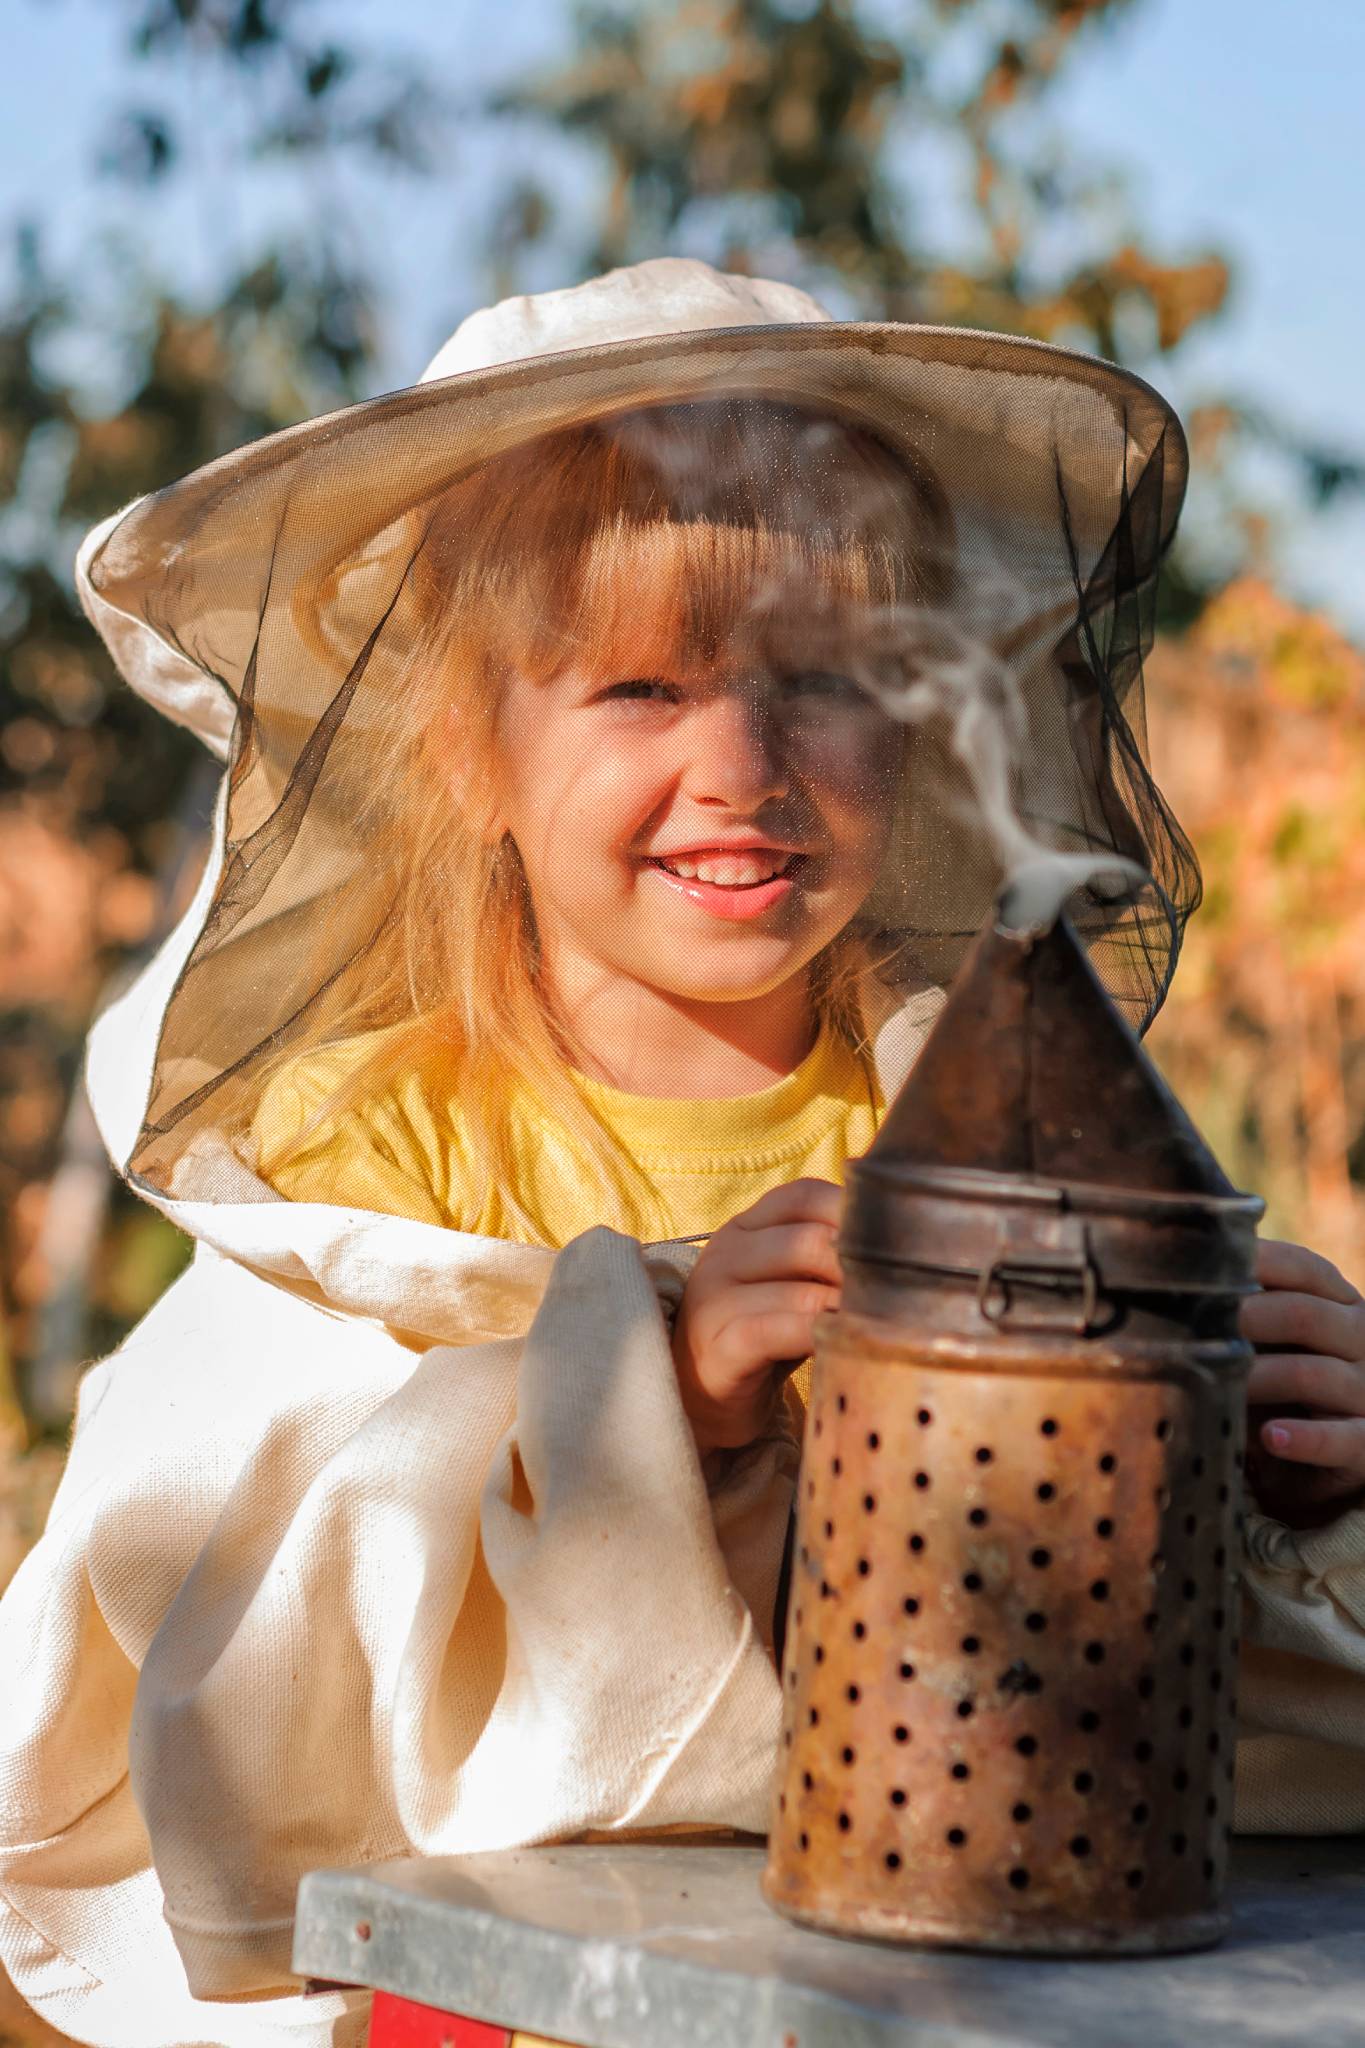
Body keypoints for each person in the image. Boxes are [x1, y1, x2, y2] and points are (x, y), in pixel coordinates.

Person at [1, 258, 1362, 2048]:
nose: (740, 761)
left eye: (827, 681)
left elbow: (1142, 1694)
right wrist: (650, 1405)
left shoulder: (993, 1139)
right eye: (642, 688)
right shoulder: (357, 1162)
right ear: (472, 746)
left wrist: (1291, 1483)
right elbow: (248, 1624)